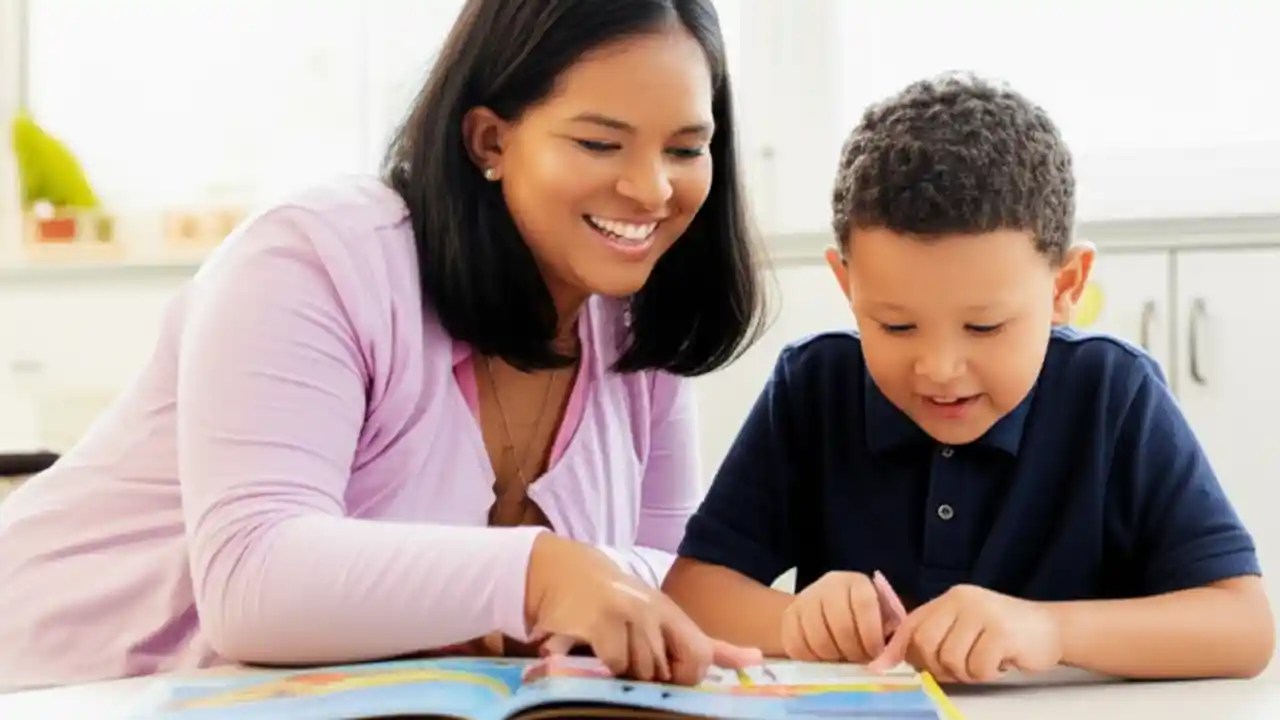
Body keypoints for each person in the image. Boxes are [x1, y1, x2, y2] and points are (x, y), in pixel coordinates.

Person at [0, 0, 768, 690]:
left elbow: (663, 588)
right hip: (57, 682)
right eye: (601, 143)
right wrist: (541, 574)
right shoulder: (314, 258)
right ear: (489, 140)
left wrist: (802, 621)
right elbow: (253, 580)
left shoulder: (638, 326)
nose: (653, 191)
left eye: (684, 149)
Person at [663, 72, 1275, 683]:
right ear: (847, 285)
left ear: (1065, 287)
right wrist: (795, 619)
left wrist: (1051, 629)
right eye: (897, 327)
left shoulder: (1113, 393)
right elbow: (691, 593)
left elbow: (1243, 629)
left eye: (984, 328)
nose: (939, 370)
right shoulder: (813, 387)